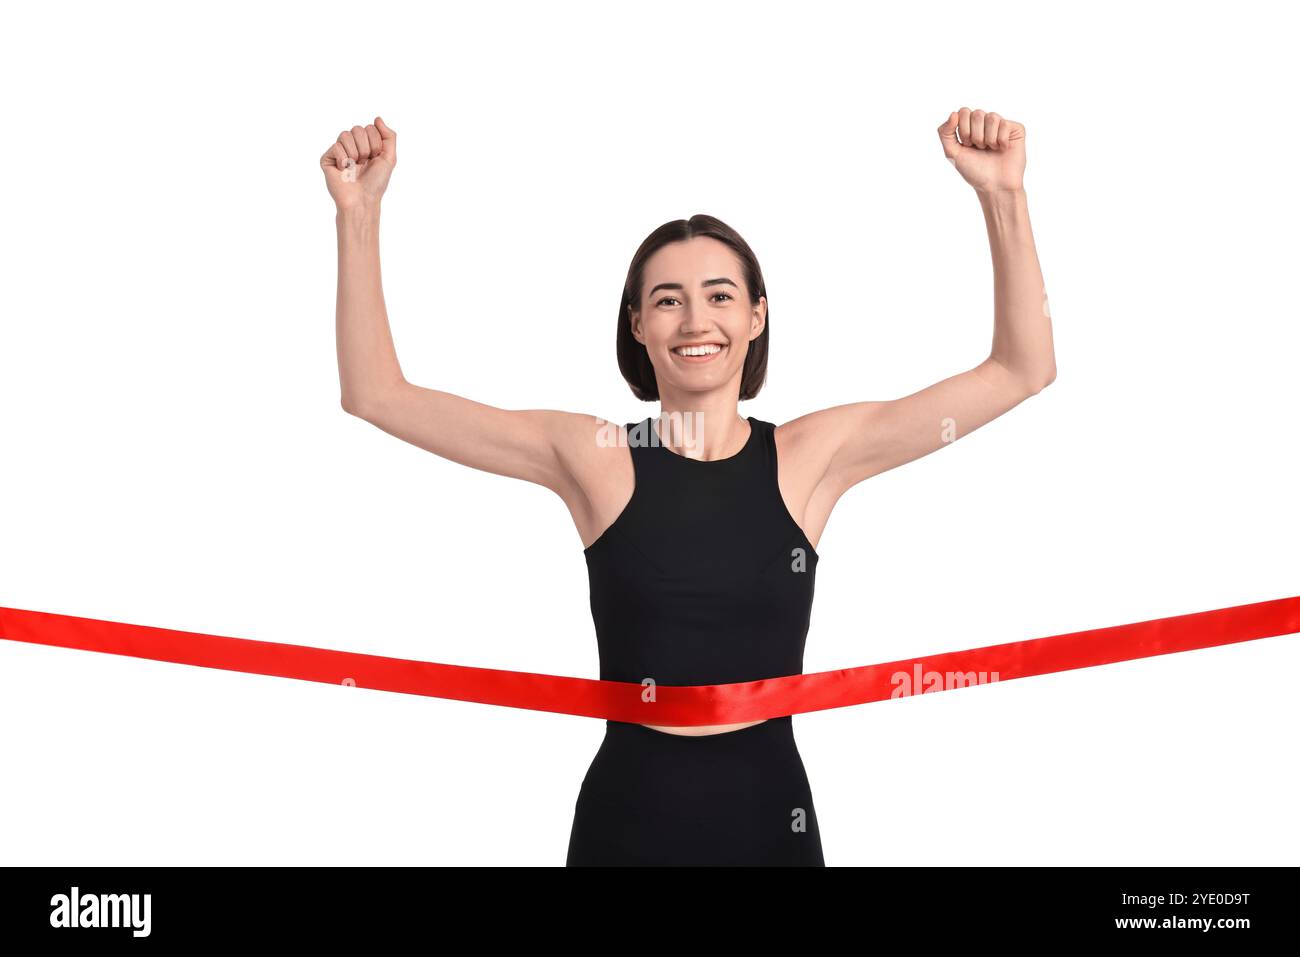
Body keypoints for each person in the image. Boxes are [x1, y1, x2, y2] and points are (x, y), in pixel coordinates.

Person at [319, 109, 1056, 866]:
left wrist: (1004, 195)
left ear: (757, 315)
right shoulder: (596, 456)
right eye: (668, 299)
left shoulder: (811, 457)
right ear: (637, 324)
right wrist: (359, 214)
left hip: (771, 821)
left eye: (720, 295)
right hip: (627, 824)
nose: (694, 319)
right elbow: (377, 394)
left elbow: (1020, 370)